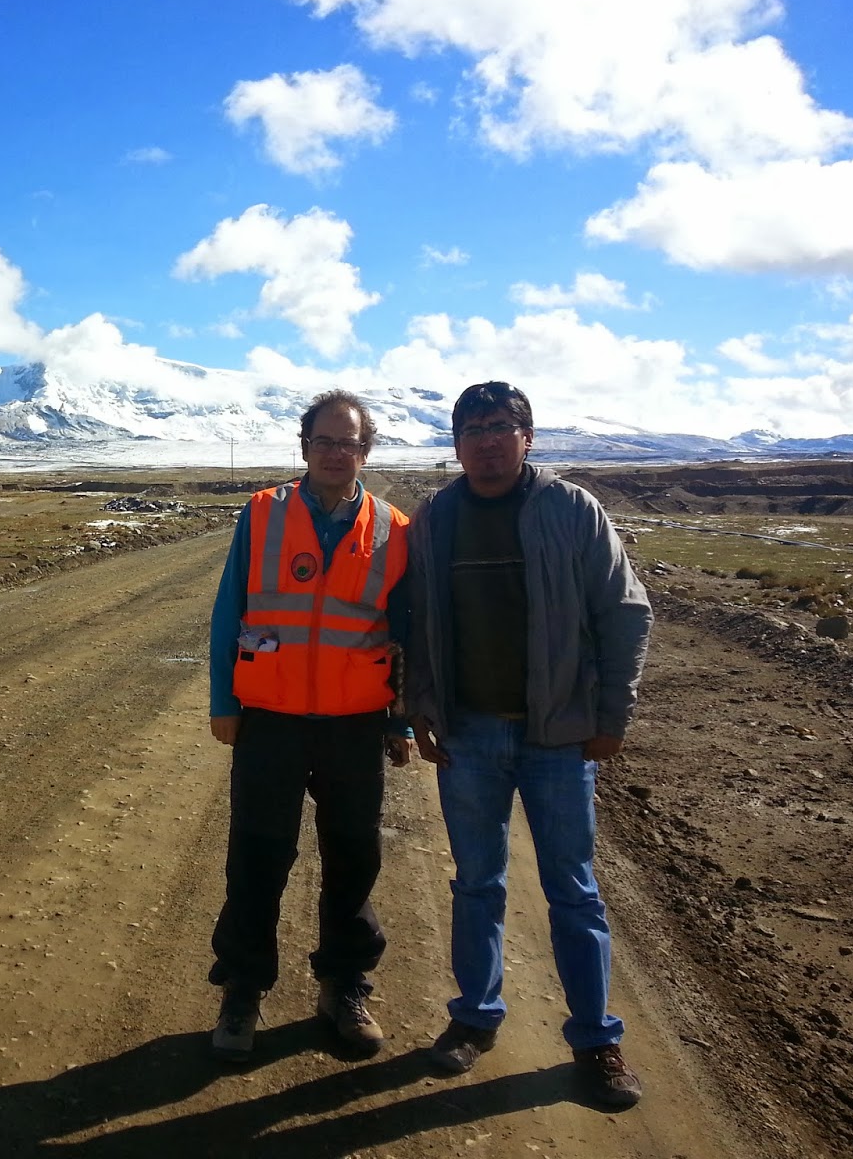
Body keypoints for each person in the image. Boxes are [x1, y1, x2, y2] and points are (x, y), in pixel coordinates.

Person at [405, 381, 652, 1108]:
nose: (487, 440)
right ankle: (475, 1018)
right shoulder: (437, 518)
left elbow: (624, 613)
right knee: (476, 884)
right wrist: (422, 708)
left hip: (558, 735)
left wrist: (611, 716)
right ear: (455, 443)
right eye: (472, 428)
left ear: (528, 436)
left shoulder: (570, 509)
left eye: (501, 426)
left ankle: (597, 1039)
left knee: (572, 891)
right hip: (470, 733)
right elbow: (417, 621)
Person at [206, 389, 416, 1064]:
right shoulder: (263, 514)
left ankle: (344, 985)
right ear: (304, 447)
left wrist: (402, 722)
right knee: (258, 857)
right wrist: (224, 701)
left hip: (354, 725)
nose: (336, 452)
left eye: (349, 442)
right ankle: (243, 989)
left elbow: (406, 634)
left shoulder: (393, 528)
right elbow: (228, 611)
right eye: (324, 441)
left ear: (366, 451)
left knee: (354, 857)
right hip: (270, 718)